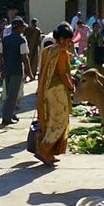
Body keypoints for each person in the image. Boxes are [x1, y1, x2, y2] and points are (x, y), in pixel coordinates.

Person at [34, 23, 75, 166]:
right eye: (69, 40)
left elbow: (42, 70)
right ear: (63, 39)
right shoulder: (61, 52)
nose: (70, 43)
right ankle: (44, 150)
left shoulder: (47, 50)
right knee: (60, 122)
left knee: (49, 121)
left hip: (46, 89)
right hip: (57, 90)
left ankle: (50, 154)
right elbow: (62, 73)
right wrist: (71, 87)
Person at [0, 18, 33, 126]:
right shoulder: (21, 40)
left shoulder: (5, 39)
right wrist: (30, 73)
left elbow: (0, 55)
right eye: (22, 27)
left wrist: (1, 69)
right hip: (16, 70)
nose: (23, 29)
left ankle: (11, 114)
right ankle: (6, 118)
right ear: (18, 28)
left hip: (7, 70)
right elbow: (24, 57)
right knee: (12, 96)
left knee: (9, 93)